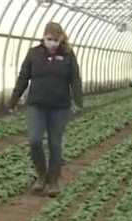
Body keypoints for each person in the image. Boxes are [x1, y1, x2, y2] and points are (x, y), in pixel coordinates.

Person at [8, 22, 83, 197]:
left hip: (60, 106)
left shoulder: (68, 55)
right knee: (34, 141)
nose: (52, 43)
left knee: (55, 144)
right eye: (49, 39)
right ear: (43, 37)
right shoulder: (34, 54)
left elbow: (75, 79)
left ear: (61, 39)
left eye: (56, 40)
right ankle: (41, 175)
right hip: (37, 105)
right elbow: (23, 77)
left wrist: (79, 102)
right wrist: (13, 101)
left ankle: (54, 181)